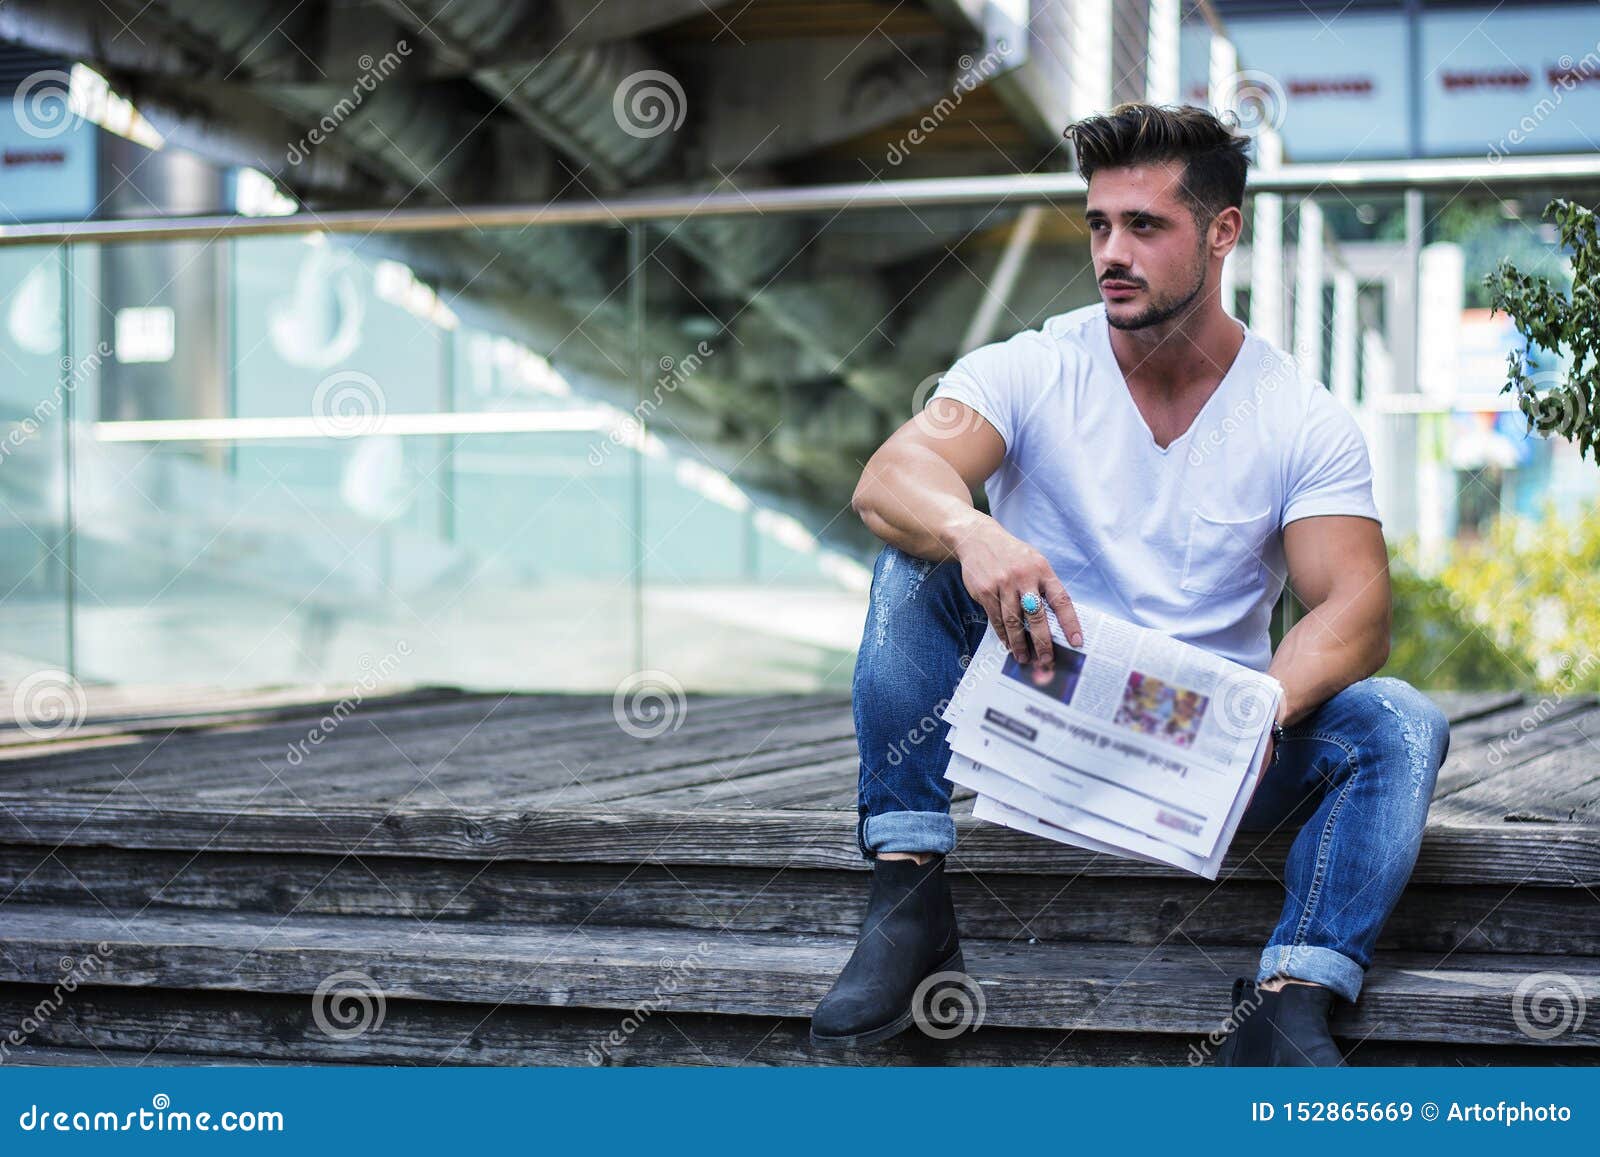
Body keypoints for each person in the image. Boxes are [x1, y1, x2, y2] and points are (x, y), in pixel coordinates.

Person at [808, 102, 1451, 1064]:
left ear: (1222, 232)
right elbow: (889, 478)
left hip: (1202, 740)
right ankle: (908, 896)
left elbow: (1356, 608)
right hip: (1042, 702)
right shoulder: (1032, 366)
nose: (1113, 252)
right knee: (915, 560)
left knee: (1399, 722)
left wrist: (1261, 709)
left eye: (1145, 226)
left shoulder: (1299, 415)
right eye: (1100, 224)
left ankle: (1290, 1000)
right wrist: (973, 530)